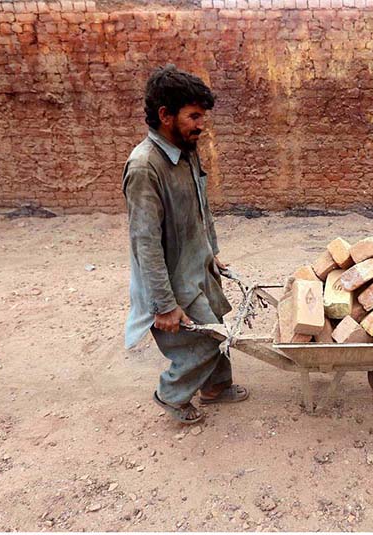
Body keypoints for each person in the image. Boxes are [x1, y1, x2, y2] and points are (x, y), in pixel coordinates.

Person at [122, 64, 248, 424]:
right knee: (204, 340)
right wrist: (163, 305)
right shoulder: (145, 167)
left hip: (198, 265)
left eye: (201, 116)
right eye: (193, 116)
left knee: (217, 325)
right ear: (165, 115)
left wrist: (212, 250)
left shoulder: (186, 150)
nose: (201, 124)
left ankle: (216, 387)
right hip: (173, 279)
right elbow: (145, 244)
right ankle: (171, 395)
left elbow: (200, 208)